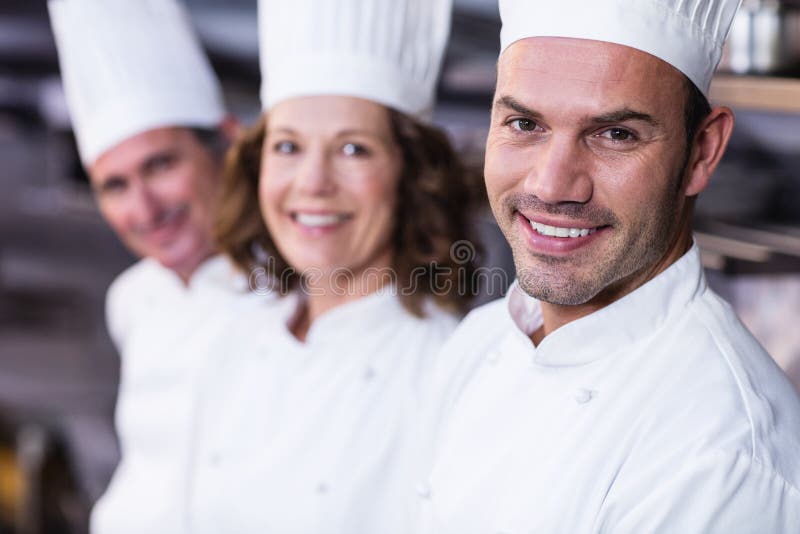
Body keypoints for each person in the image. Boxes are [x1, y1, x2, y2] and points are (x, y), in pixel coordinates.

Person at [415, 1, 800, 533]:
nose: (552, 185)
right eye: (524, 124)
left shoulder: (719, 459)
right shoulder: (480, 343)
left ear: (702, 152)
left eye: (615, 134)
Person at [184, 0, 476, 532]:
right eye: (288, 146)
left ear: (412, 174)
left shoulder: (447, 371)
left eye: (353, 150)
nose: (314, 182)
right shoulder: (231, 336)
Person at [48, 1, 263, 532]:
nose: (144, 209)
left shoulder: (308, 283)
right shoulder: (131, 300)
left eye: (160, 165)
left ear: (228, 142)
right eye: (115, 186)